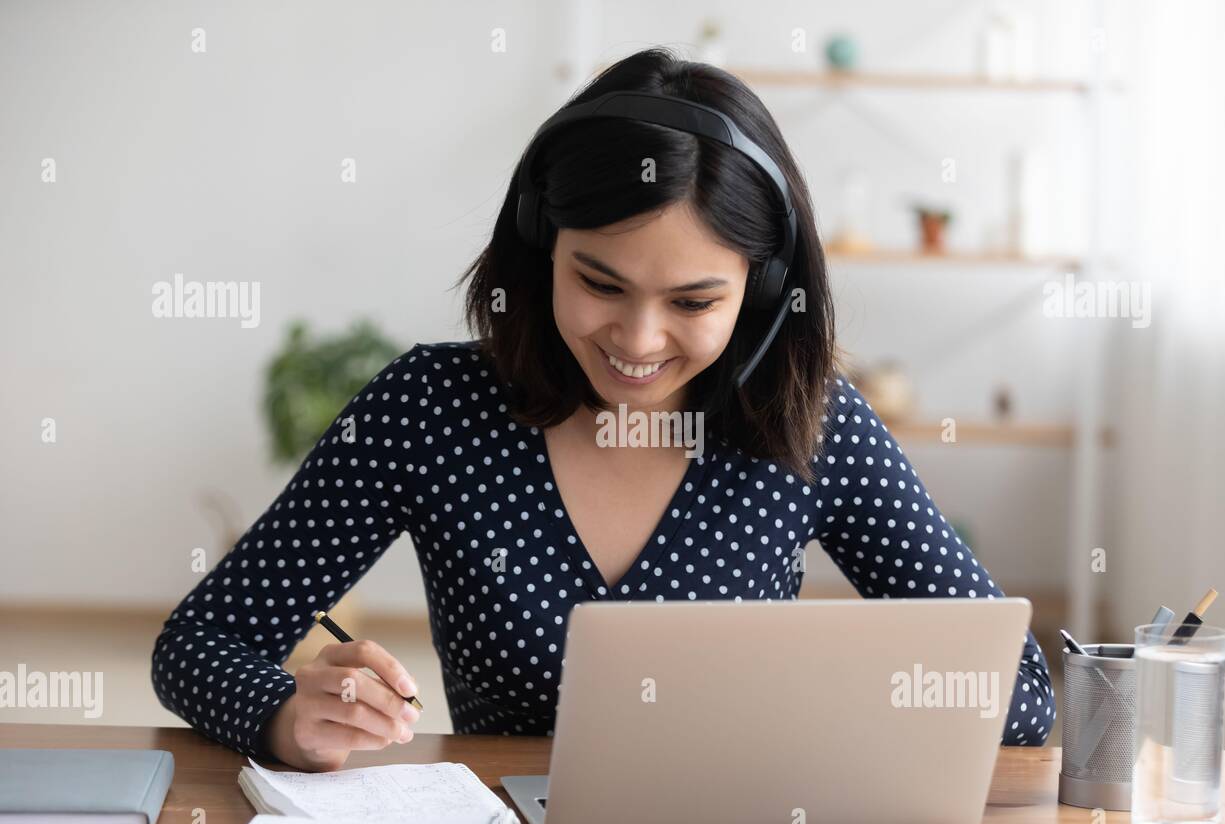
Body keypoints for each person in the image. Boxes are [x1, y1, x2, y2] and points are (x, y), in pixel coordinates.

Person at [151, 47, 1054, 772]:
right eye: (599, 283)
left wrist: (823, 700)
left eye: (695, 303)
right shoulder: (429, 409)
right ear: (542, 246)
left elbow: (1020, 696)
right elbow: (196, 644)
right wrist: (283, 716)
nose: (639, 340)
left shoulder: (814, 423)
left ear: (764, 289)